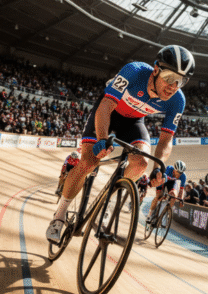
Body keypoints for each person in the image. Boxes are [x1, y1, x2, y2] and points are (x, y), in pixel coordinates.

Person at [47, 45, 195, 243]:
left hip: (133, 123)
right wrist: (102, 138)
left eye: (181, 81)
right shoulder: (134, 71)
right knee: (89, 162)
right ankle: (59, 216)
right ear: (156, 69)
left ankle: (106, 203)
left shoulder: (178, 100)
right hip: (108, 112)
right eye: (169, 77)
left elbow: (166, 139)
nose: (173, 86)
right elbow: (106, 106)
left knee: (141, 163)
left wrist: (158, 167)